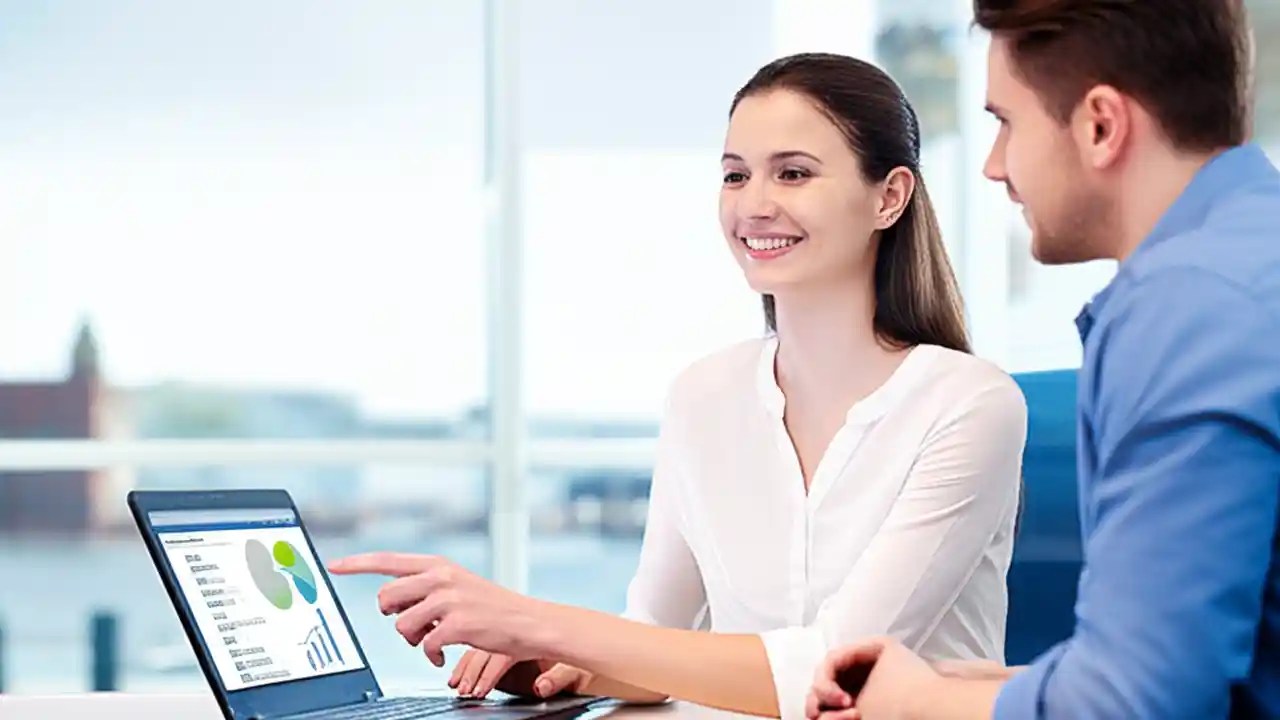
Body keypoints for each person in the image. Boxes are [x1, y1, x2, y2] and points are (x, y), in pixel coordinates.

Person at [329, 52, 1027, 720]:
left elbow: (838, 673)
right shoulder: (703, 396)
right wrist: (549, 661)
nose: (753, 204)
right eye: (734, 175)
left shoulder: (970, 404)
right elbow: (656, 633)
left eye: (792, 174)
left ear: (890, 197)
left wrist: (540, 619)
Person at [804, 2, 1280, 719]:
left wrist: (919, 705)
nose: (994, 166)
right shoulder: (1252, 250)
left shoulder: (1186, 312)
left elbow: (1132, 707)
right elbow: (1205, 658)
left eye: (1005, 122)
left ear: (1099, 125)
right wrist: (979, 688)